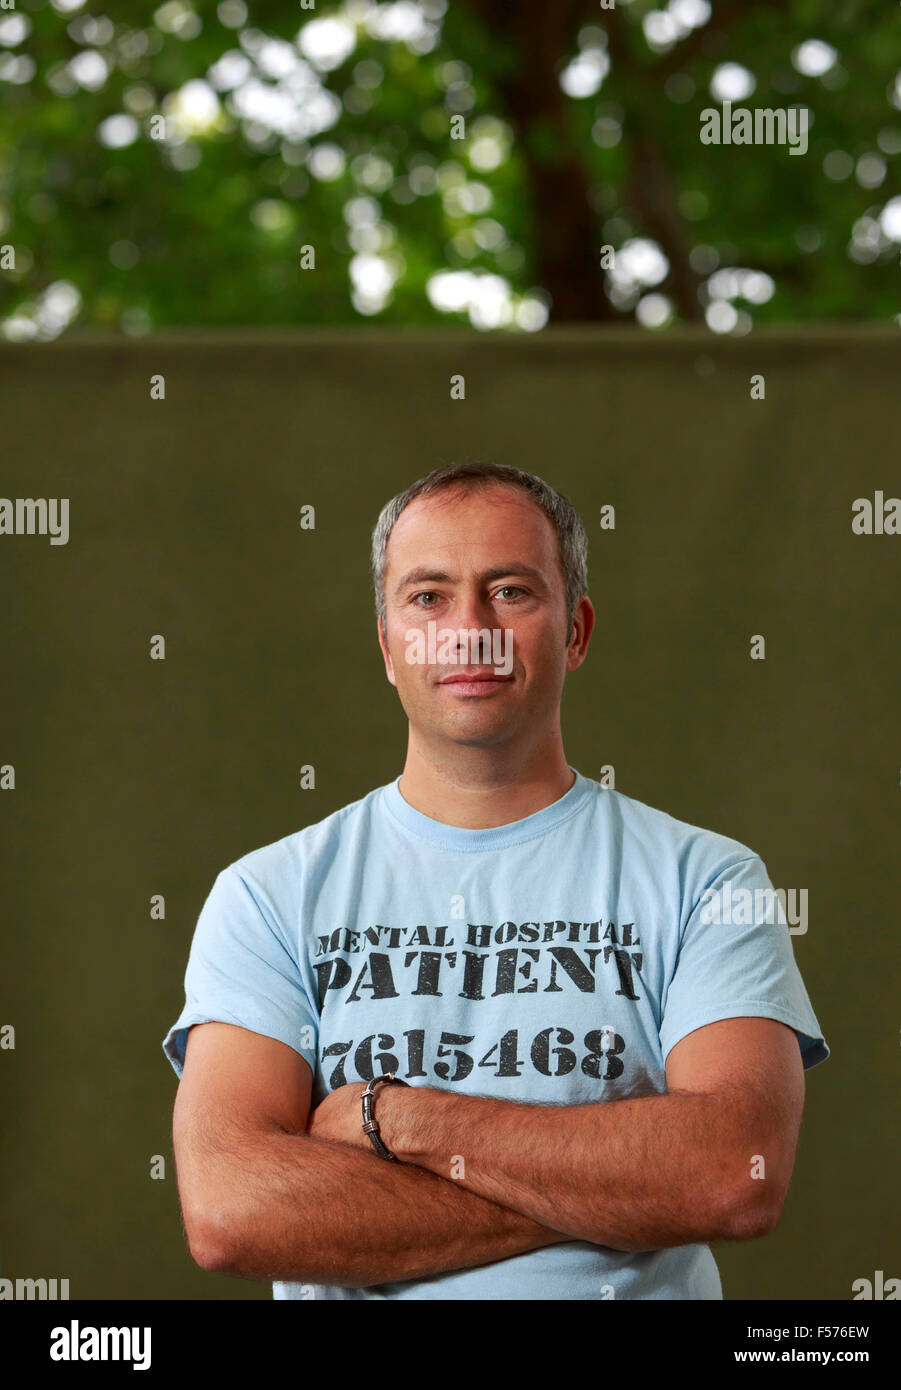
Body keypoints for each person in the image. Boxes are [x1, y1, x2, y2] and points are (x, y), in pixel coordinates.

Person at [162, 461, 828, 1301]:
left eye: (510, 592)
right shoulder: (268, 895)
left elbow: (733, 1172)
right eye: (428, 598)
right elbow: (232, 1212)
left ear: (575, 631)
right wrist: (624, 1187)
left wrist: (392, 1119)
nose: (467, 631)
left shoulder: (709, 880)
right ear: (387, 644)